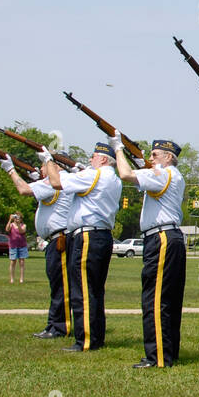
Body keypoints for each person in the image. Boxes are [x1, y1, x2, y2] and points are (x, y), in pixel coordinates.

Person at [115, 135, 188, 369]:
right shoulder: (167, 175)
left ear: (168, 158)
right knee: (168, 299)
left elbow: (125, 174)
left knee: (154, 299)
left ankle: (157, 356)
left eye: (155, 155)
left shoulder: (164, 174)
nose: (150, 158)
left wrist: (118, 148)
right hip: (168, 237)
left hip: (161, 238)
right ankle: (167, 353)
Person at [42, 143, 122, 352]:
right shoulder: (111, 178)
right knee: (94, 290)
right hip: (101, 236)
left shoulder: (94, 176)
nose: (90, 160)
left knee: (82, 290)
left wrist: (48, 159)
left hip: (87, 236)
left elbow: (56, 182)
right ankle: (95, 337)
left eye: (93, 156)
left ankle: (85, 340)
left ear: (103, 159)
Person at [2, 160, 75, 339]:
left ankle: (59, 327)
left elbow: (24, 190)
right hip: (55, 240)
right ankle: (53, 324)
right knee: (56, 285)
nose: (41, 169)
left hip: (60, 239)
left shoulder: (57, 180)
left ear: (56, 166)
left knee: (60, 286)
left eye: (44, 165)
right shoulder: (57, 180)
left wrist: (10, 169)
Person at [6, 213, 28, 284]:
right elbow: (7, 229)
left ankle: (21, 278)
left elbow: (21, 231)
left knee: (21, 262)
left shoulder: (23, 225)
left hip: (22, 246)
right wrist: (10, 219)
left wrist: (18, 224)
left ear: (21, 219)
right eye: (15, 218)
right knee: (13, 262)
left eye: (18, 218)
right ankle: (12, 279)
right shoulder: (11, 225)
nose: (17, 219)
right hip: (13, 246)